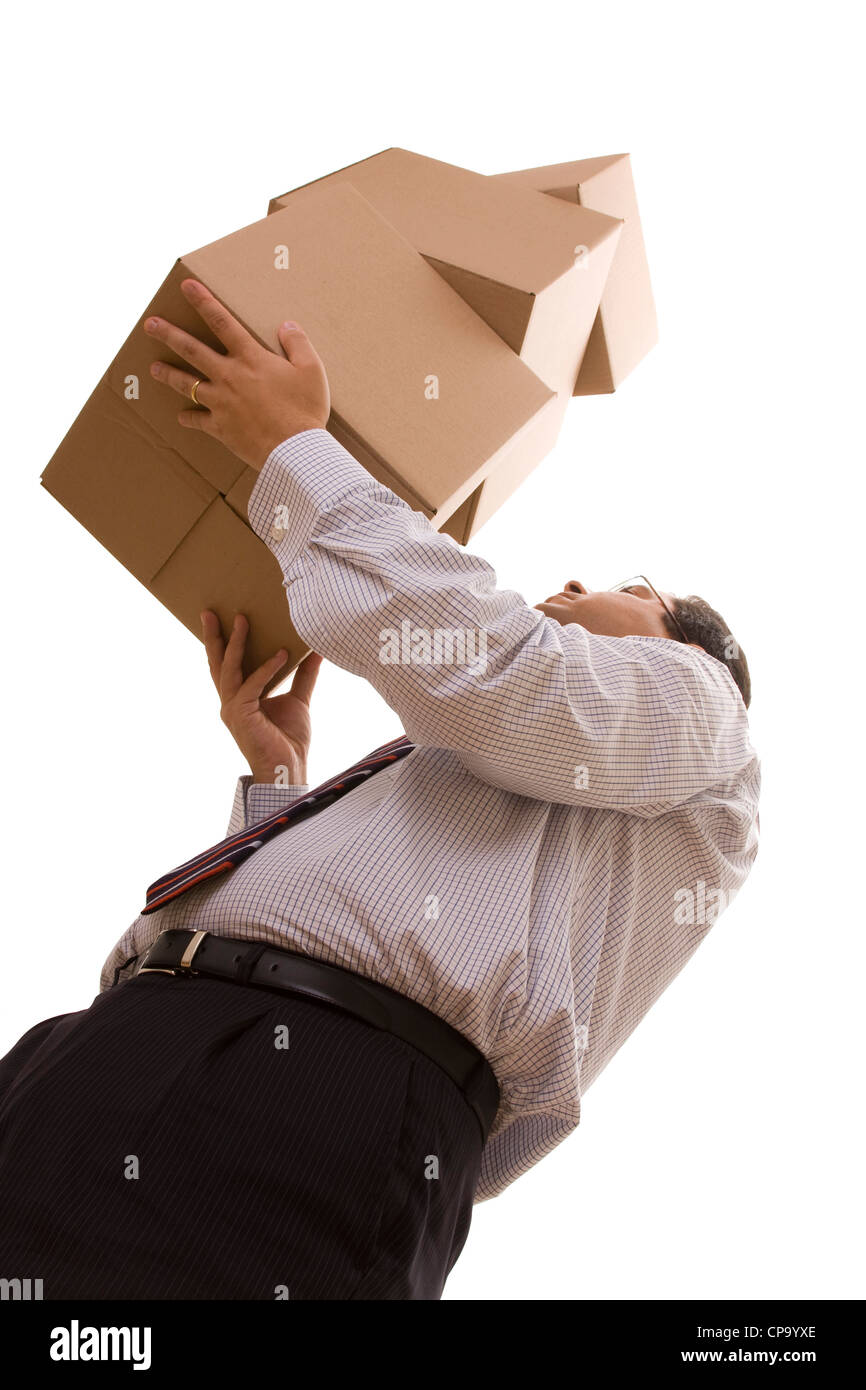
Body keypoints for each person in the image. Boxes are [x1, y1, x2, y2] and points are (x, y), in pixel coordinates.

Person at [0, 280, 760, 1301]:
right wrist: (279, 780)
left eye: (631, 588)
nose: (577, 581)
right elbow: (373, 886)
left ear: (686, 648)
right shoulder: (509, 766)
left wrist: (296, 457)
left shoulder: (701, 712)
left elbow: (507, 672)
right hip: (114, 1047)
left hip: (309, 1093)